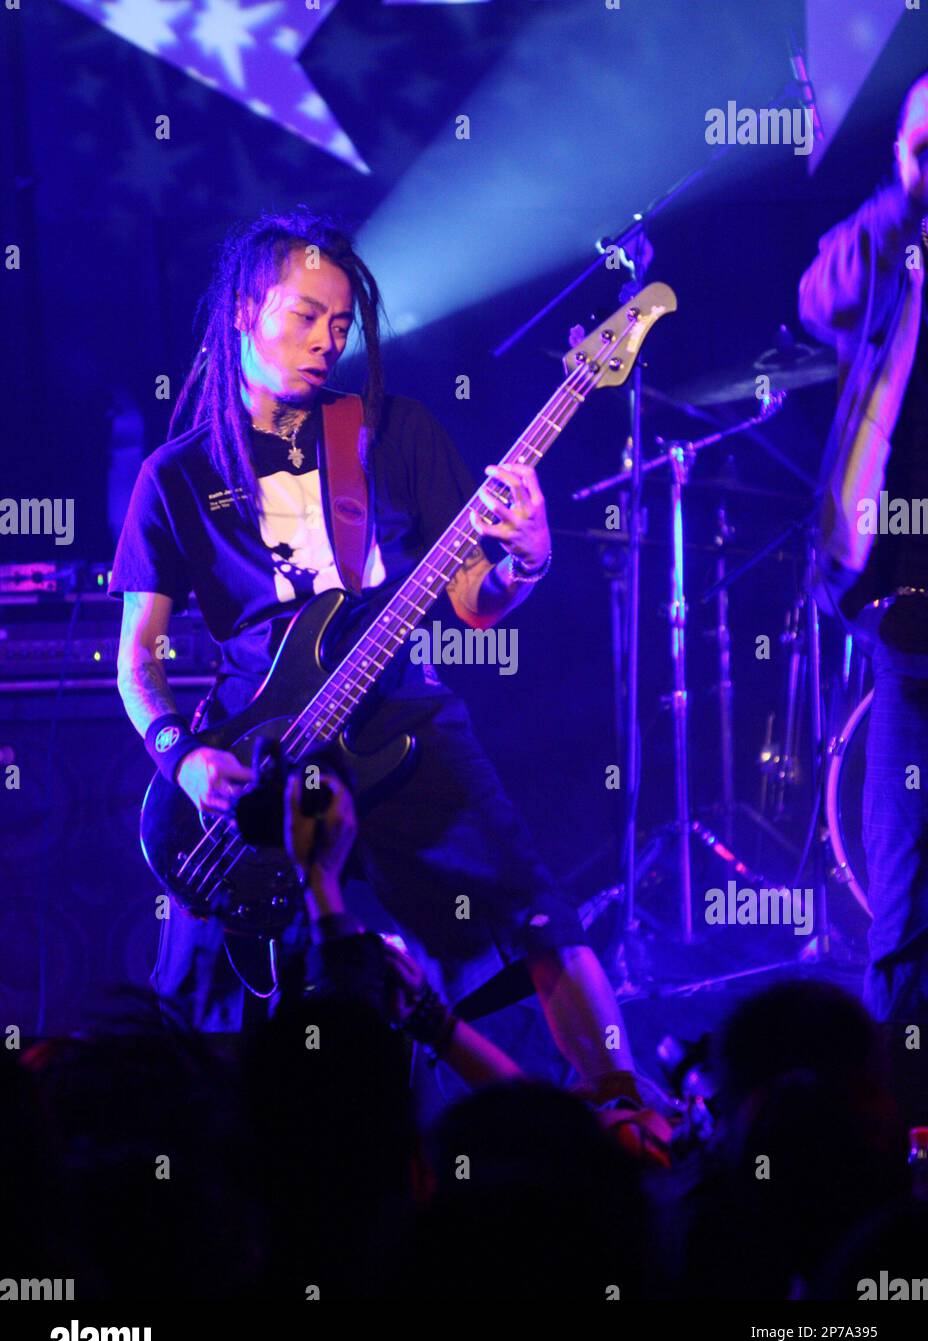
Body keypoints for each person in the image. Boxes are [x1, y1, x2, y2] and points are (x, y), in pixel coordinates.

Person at [109, 207, 648, 1103]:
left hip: (401, 715)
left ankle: (628, 1113)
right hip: (260, 761)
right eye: (305, 315)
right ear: (245, 310)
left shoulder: (394, 435)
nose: (328, 340)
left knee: (537, 910)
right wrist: (184, 758)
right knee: (245, 1009)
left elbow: (476, 601)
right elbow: (138, 659)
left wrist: (532, 554)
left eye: (342, 323)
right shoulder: (175, 474)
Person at [799, 72, 928, 1030]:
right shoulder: (892, 259)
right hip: (909, 621)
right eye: (921, 148)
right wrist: (904, 200)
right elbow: (819, 295)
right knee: (907, 883)